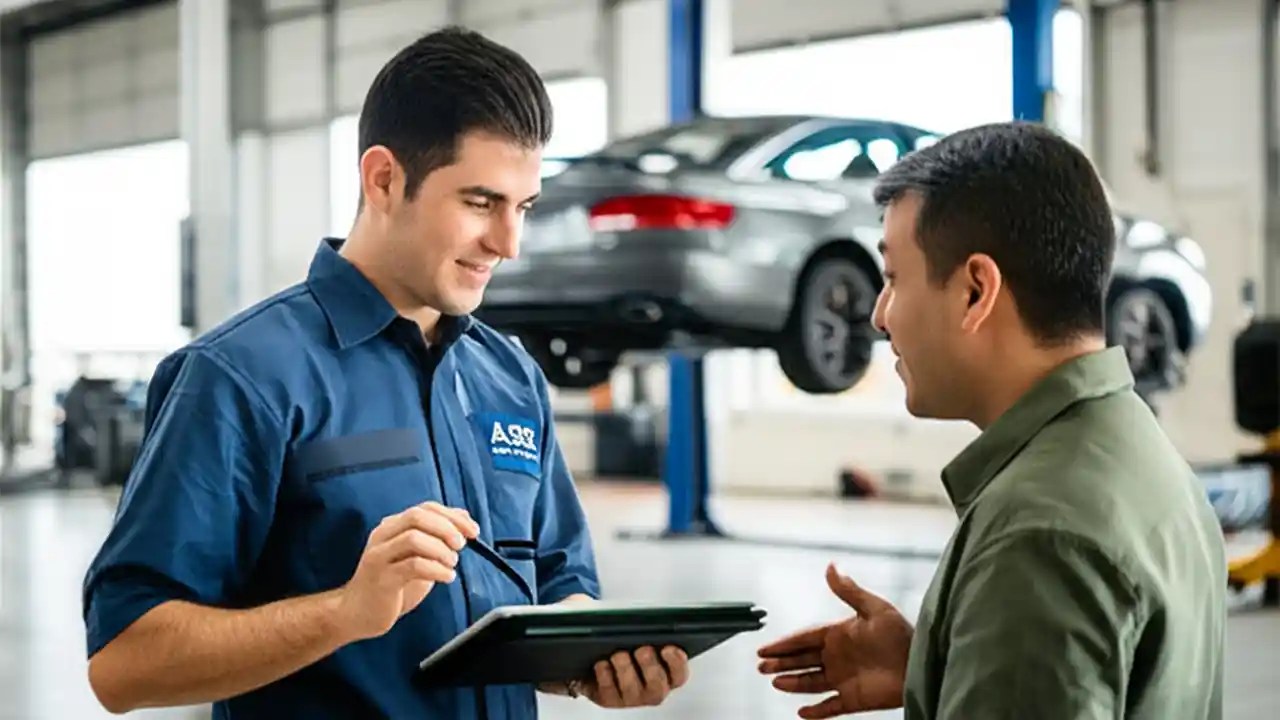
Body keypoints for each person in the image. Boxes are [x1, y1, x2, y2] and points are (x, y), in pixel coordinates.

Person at [82, 27, 689, 719]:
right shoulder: (240, 379)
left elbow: (558, 583)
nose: (509, 244)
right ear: (383, 179)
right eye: (480, 202)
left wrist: (592, 662)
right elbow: (125, 663)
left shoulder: (509, 376)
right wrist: (345, 612)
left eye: (523, 208)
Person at [757, 122, 1226, 719]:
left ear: (976, 291)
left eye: (895, 280)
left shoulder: (1039, 534)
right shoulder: (1141, 458)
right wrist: (939, 668)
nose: (879, 316)